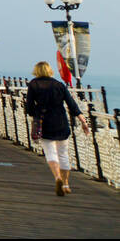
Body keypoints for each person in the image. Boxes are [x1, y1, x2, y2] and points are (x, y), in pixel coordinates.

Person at [24, 60, 89, 196]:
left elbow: (29, 107)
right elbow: (72, 105)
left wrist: (35, 112)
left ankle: (57, 177)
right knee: (63, 154)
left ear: (37, 71)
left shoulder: (33, 85)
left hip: (44, 122)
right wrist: (83, 121)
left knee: (50, 153)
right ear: (49, 70)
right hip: (61, 122)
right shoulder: (59, 85)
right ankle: (65, 184)